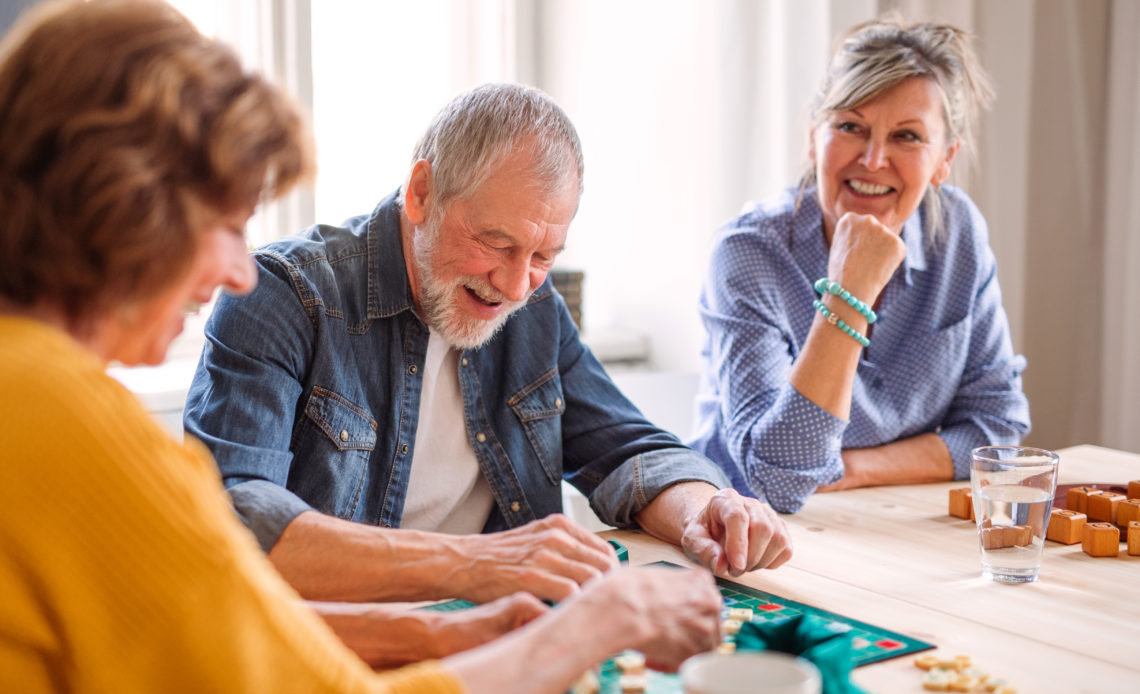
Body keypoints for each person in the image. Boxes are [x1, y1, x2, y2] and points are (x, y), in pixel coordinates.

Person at [0, 2, 729, 692]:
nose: (237, 270)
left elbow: (228, 627)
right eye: (225, 225)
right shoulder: (69, 414)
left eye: (541, 256)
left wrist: (446, 634)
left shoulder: (31, 383)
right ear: (122, 205)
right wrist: (581, 624)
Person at [183, 81, 793, 612]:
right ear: (421, 192)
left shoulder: (534, 308)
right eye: (496, 243)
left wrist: (703, 510)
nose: (516, 285)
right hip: (338, 645)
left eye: (543, 255)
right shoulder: (282, 294)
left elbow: (625, 449)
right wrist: (477, 564)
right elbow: (239, 518)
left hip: (497, 628)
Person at [688, 17, 1030, 513]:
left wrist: (855, 468)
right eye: (851, 127)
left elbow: (996, 430)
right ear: (813, 138)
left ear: (944, 159)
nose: (872, 160)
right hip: (740, 528)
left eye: (907, 136)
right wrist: (848, 292)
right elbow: (779, 481)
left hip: (877, 515)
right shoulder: (748, 252)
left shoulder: (957, 234)